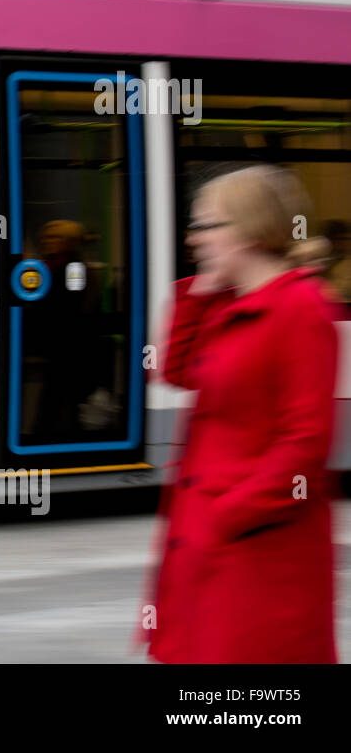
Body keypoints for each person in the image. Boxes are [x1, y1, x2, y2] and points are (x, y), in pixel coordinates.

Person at [139, 165, 340, 663]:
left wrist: (229, 513)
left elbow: (306, 441)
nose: (194, 238)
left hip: (257, 549)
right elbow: (175, 371)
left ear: (249, 230)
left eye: (208, 225)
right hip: (212, 544)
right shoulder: (230, 303)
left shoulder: (301, 308)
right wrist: (200, 292)